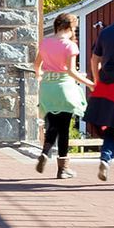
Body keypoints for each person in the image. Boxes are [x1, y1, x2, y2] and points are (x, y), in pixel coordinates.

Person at [34, 15, 86, 179]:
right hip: (64, 88)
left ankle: (45, 152)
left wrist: (41, 76)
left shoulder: (45, 43)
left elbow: (37, 66)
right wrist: (89, 82)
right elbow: (71, 71)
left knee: (52, 125)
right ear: (70, 27)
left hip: (47, 88)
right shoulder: (70, 46)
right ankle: (63, 169)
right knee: (64, 129)